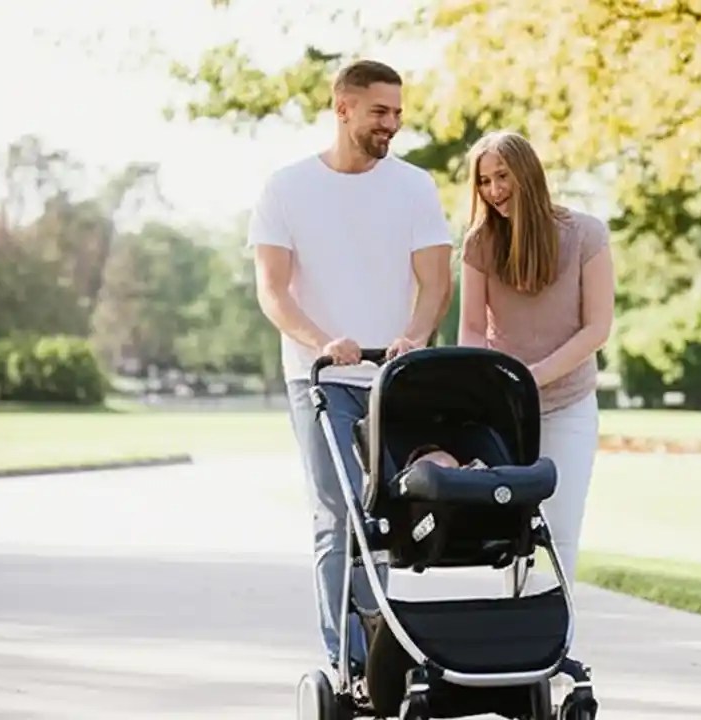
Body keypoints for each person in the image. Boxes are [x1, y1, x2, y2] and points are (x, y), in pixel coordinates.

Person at [247, 59, 453, 678]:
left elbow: (436, 279)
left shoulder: (414, 187)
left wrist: (415, 334)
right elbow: (273, 290)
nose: (392, 124)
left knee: (383, 515)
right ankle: (348, 662)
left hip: (393, 378)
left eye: (397, 113)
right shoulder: (286, 188)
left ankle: (385, 658)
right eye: (379, 112)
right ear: (342, 109)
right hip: (320, 378)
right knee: (337, 516)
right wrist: (321, 341)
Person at [457, 130, 615, 594]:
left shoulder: (585, 235)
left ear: (529, 173)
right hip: (504, 411)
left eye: (503, 176)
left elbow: (597, 328)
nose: (494, 191)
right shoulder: (480, 243)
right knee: (511, 529)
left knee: (560, 529)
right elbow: (470, 328)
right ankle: (513, 635)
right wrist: (487, 387)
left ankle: (555, 644)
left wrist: (534, 377)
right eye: (484, 182)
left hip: (568, 403)